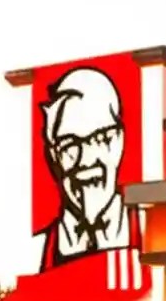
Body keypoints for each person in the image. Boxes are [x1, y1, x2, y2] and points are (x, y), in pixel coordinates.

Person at [36, 67, 139, 271]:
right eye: (69, 145)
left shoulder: (152, 234)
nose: (85, 160)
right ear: (54, 156)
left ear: (119, 142)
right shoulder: (36, 250)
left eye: (100, 139)